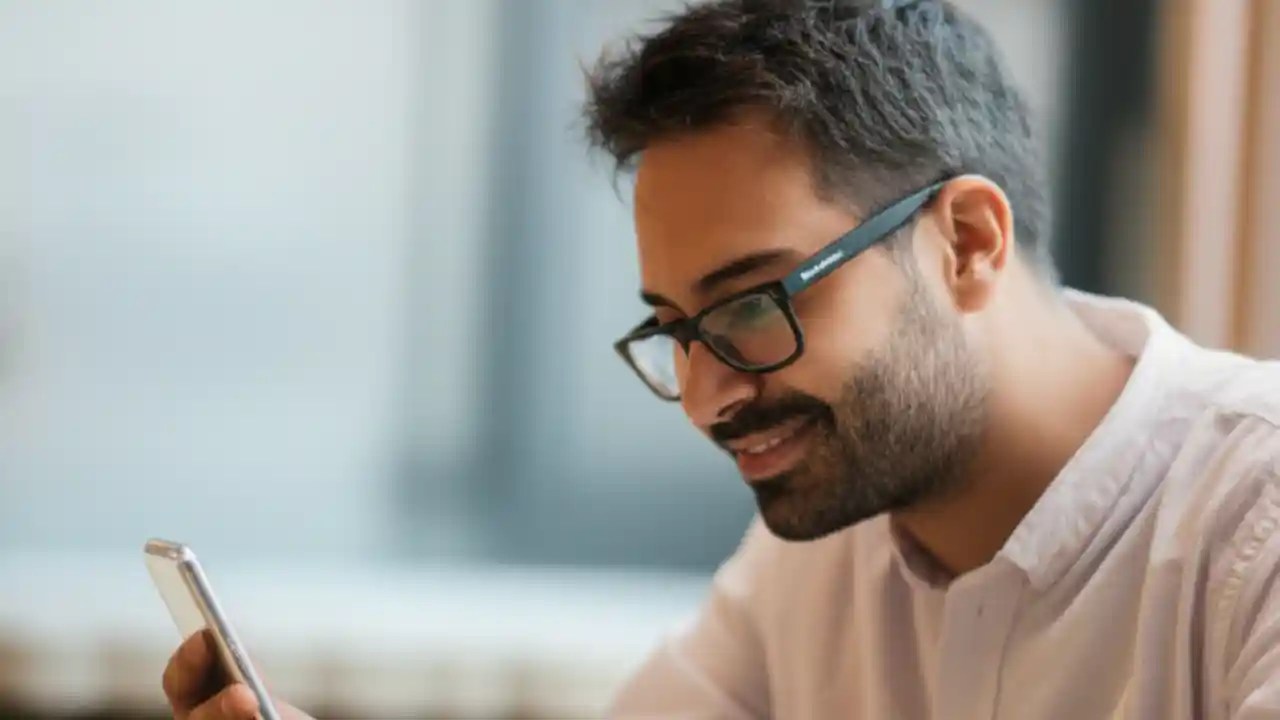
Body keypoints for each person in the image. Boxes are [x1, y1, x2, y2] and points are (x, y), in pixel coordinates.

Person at [162, 0, 1280, 718]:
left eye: (751, 305)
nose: (705, 399)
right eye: (675, 328)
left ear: (967, 244)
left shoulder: (1252, 524)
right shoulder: (822, 546)